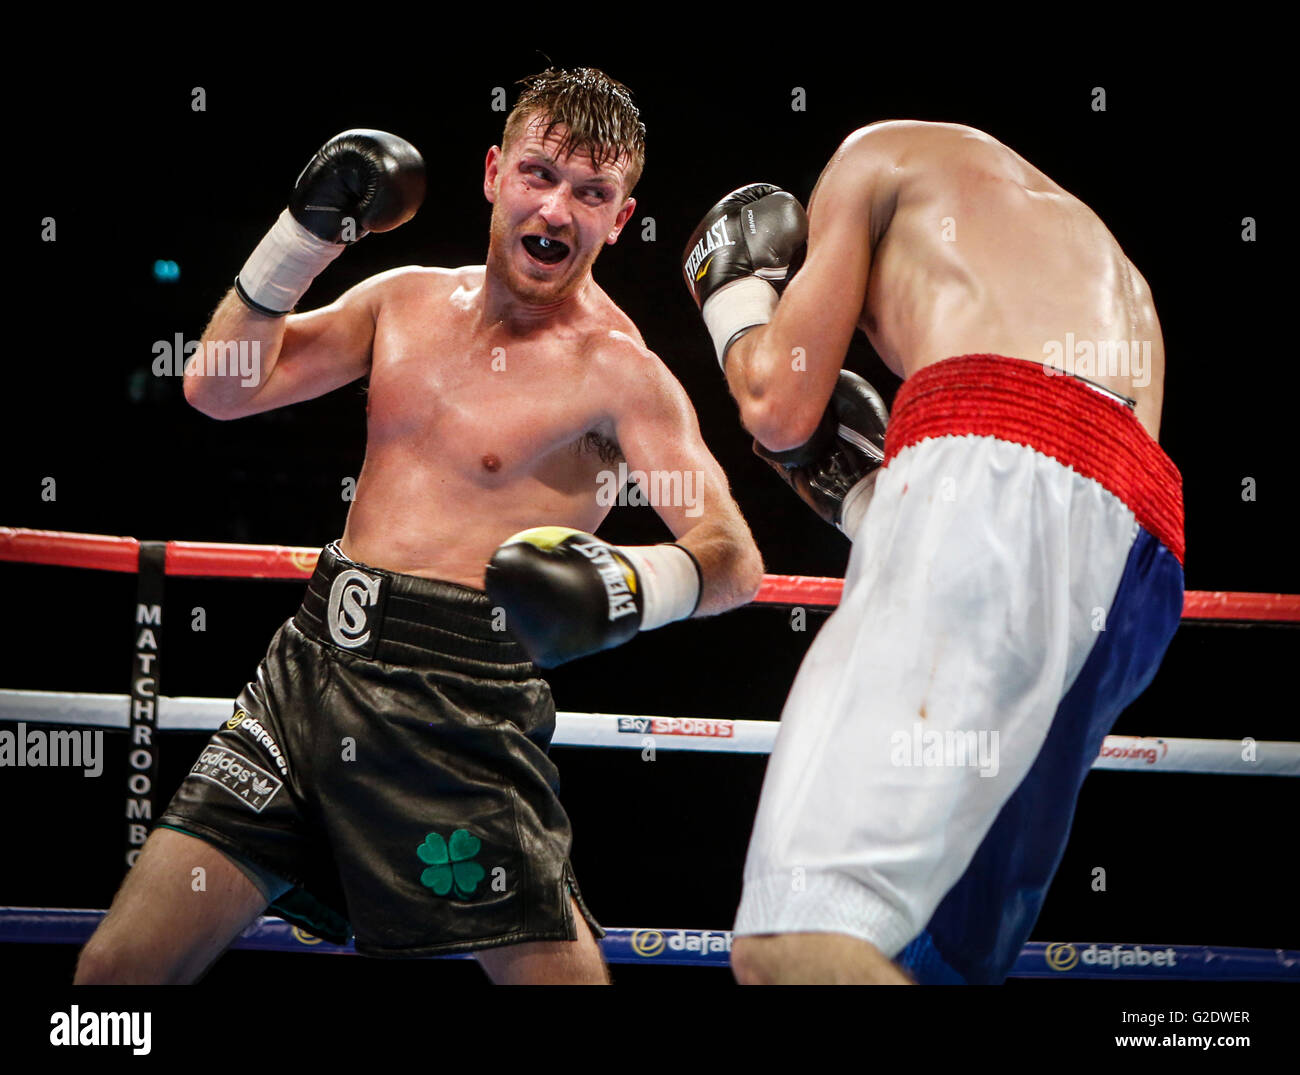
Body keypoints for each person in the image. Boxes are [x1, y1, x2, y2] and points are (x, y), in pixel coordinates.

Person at [75, 67, 762, 986]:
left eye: (591, 193)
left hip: (460, 709)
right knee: (116, 972)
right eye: (538, 175)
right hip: (307, 674)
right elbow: (218, 385)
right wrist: (303, 236)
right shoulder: (400, 301)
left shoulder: (620, 375)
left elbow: (733, 558)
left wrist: (630, 584)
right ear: (493, 173)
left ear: (619, 218)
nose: (557, 210)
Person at [682, 119, 1184, 984]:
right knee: (930, 957)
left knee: (797, 937)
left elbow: (777, 404)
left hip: (993, 470)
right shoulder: (1066, 236)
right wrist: (878, 500)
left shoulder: (869, 159)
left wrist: (734, 309)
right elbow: (1064, 516)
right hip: (1139, 561)